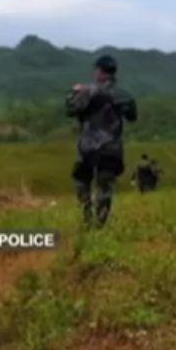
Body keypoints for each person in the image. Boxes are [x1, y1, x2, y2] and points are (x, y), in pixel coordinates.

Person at [66, 54, 137, 226]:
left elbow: (70, 110)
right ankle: (101, 223)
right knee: (105, 188)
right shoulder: (124, 95)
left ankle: (87, 216)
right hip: (111, 148)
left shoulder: (87, 91)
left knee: (82, 181)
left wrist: (73, 93)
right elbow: (132, 117)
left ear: (100, 71)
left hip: (88, 148)